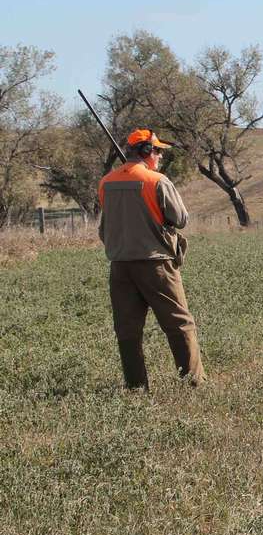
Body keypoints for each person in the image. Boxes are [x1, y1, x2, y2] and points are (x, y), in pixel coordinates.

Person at [98, 129, 205, 390]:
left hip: (120, 267)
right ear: (146, 151)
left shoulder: (106, 182)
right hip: (156, 266)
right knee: (180, 324)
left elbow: (106, 227)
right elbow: (180, 219)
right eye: (157, 150)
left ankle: (136, 388)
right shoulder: (157, 181)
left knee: (127, 331)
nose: (159, 156)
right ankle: (194, 384)